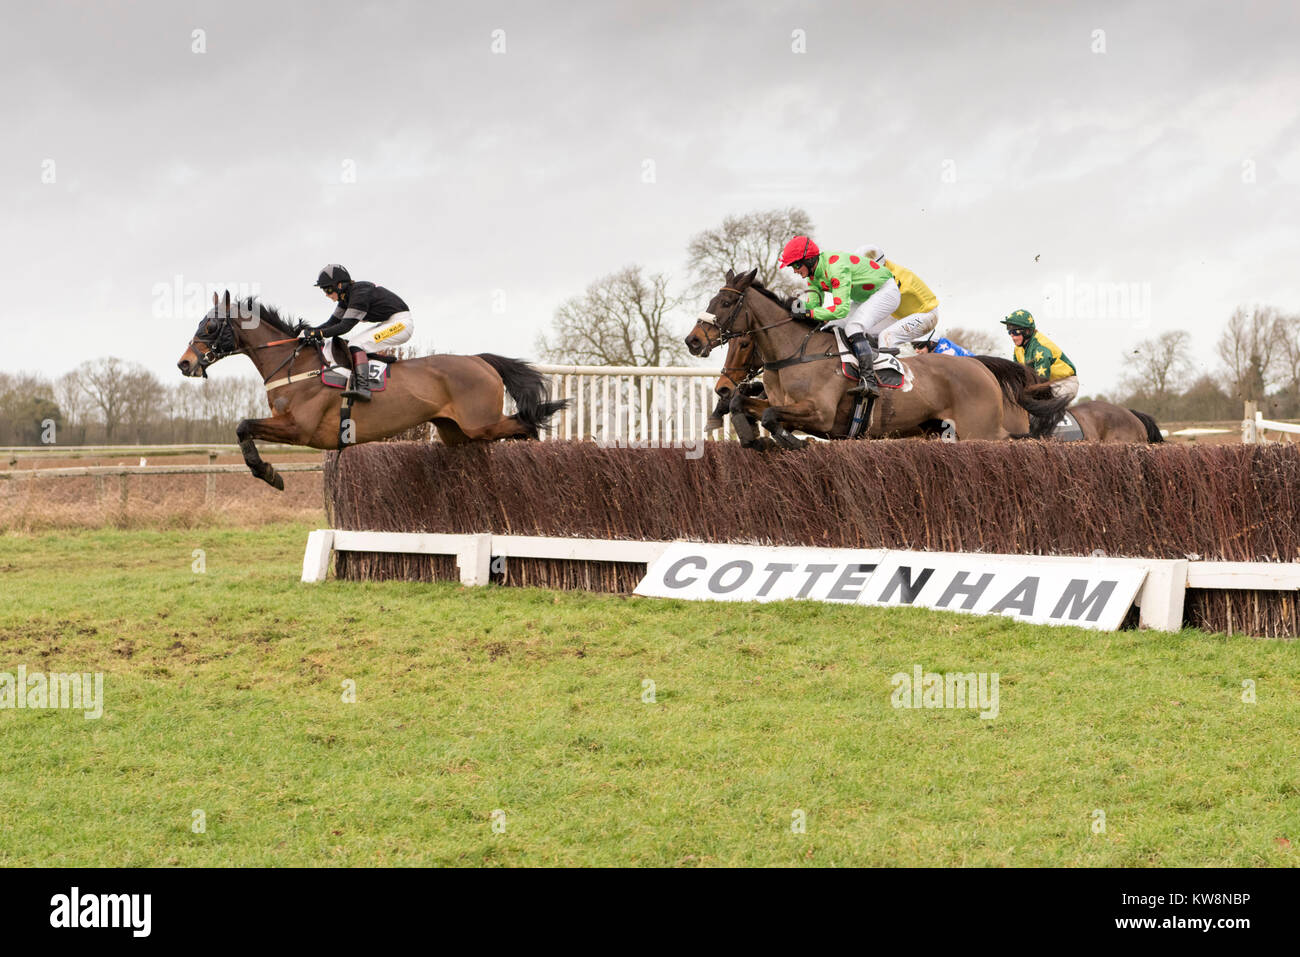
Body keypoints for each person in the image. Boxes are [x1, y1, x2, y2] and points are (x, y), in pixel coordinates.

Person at [777, 236, 900, 395]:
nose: (794, 270)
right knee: (829, 327)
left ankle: (869, 380)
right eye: (792, 266)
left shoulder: (835, 268)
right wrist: (796, 306)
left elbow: (839, 309)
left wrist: (808, 312)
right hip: (863, 298)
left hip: (886, 292)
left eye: (796, 265)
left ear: (808, 260)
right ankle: (866, 355)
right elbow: (814, 307)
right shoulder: (813, 276)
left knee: (853, 327)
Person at [304, 264, 413, 401]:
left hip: (401, 324)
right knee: (354, 343)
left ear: (339, 285)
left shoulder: (359, 294)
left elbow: (344, 326)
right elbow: (331, 323)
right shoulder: (345, 298)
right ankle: (378, 361)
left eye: (328, 289)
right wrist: (309, 331)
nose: (326, 294)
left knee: (356, 343)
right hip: (390, 322)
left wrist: (318, 334)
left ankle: (363, 388)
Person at [852, 244, 940, 348]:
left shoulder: (892, 277)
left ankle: (887, 363)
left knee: (887, 337)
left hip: (926, 315)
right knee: (857, 327)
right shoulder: (882, 268)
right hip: (898, 316)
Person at [1001, 309, 1078, 400]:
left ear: (1027, 331)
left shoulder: (1040, 348)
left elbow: (1042, 382)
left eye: (1015, 332)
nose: (1012, 336)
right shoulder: (1018, 349)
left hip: (1064, 383)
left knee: (1037, 402)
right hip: (1047, 383)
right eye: (1010, 332)